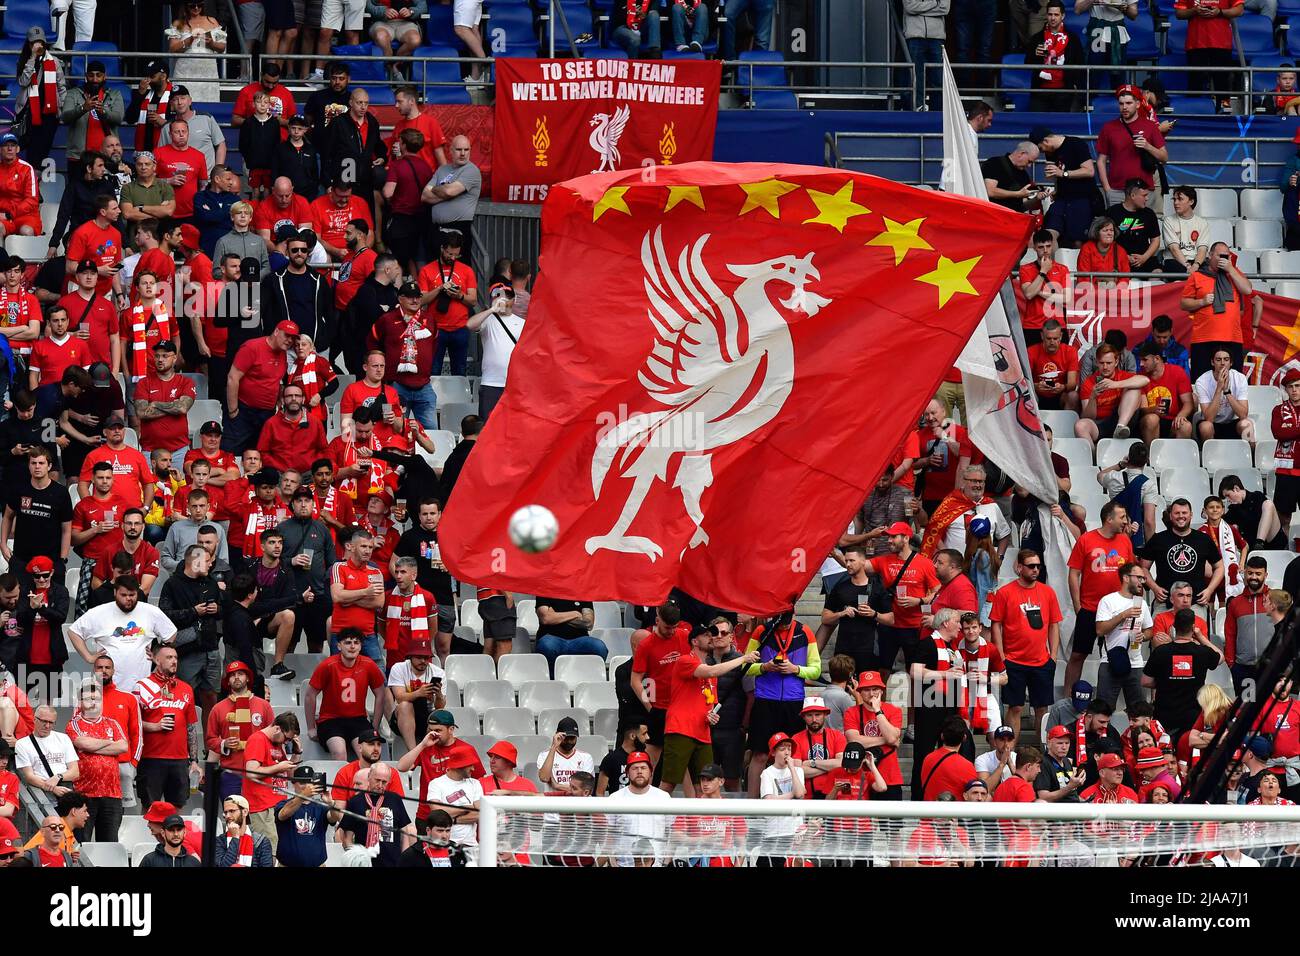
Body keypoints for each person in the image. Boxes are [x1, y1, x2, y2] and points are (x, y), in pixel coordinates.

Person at [660, 628, 757, 794]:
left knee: (706, 785)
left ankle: (700, 820)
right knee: (669, 782)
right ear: (694, 641)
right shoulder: (685, 660)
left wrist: (710, 716)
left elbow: (708, 703)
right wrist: (744, 658)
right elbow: (711, 670)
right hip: (681, 729)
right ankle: (652, 819)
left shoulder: (710, 674)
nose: (711, 637)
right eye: (706, 635)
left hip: (703, 733)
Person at [742, 609, 821, 797]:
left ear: (793, 615)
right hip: (765, 700)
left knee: (791, 756)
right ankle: (753, 807)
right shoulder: (761, 631)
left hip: (793, 702)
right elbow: (745, 666)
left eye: (786, 621)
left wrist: (796, 669)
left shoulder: (805, 632)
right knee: (760, 755)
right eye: (779, 621)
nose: (782, 625)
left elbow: (816, 670)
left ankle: (792, 803)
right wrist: (764, 667)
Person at [990, 548, 1062, 739]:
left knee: (1042, 708)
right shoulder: (1005, 593)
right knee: (1015, 707)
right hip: (1013, 660)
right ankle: (1009, 752)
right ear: (1019, 567)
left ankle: (1043, 751)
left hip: (1042, 660)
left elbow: (1054, 624)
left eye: (1038, 566)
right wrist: (1001, 656)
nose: (1035, 570)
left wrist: (1053, 656)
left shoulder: (1048, 592)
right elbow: (995, 625)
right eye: (1031, 566)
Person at [68, 576, 176, 693]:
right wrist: (88, 657)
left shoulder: (150, 611)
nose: (128, 599)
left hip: (142, 685)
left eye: (132, 595)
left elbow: (170, 632)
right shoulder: (99, 612)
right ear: (115, 592)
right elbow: (74, 632)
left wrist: (158, 654)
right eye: (123, 595)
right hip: (108, 685)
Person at [134, 643, 202, 807]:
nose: (174, 661)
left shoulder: (186, 688)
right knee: (150, 808)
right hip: (151, 758)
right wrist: (154, 726)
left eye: (176, 658)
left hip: (179, 760)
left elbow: (191, 727)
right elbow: (132, 724)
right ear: (157, 660)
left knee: (176, 809)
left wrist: (194, 760)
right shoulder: (141, 686)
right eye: (169, 657)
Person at [1142, 607, 1224, 740]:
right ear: (1193, 627)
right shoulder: (1202, 652)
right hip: (1193, 717)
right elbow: (1220, 656)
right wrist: (1201, 636)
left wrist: (1166, 681)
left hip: (1165, 715)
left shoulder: (1160, 651)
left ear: (1174, 626)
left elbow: (1145, 681)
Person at [305, 627, 386, 760]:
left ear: (361, 646)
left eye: (356, 642)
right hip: (330, 721)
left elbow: (381, 694)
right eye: (348, 642)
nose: (352, 646)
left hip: (358, 720)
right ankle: (341, 781)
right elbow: (310, 694)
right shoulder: (328, 665)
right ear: (339, 645)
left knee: (366, 754)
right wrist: (311, 728)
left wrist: (375, 726)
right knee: (339, 752)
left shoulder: (368, 665)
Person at [368, 282, 437, 429]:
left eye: (418, 297)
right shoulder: (387, 319)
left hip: (424, 385)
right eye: (410, 297)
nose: (415, 300)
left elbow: (434, 345)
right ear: (400, 298)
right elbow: (372, 341)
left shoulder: (429, 319)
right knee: (394, 432)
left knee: (431, 433)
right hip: (396, 386)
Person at [224, 320, 297, 454]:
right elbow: (232, 378)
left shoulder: (283, 353)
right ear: (276, 331)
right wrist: (233, 412)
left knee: (260, 455)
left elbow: (277, 380)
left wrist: (279, 400)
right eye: (287, 335)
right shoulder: (252, 347)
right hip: (244, 411)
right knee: (232, 453)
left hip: (266, 414)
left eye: (293, 338)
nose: (289, 340)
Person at [1182, 246, 1253, 379]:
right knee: (1201, 381)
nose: (1223, 259)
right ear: (1210, 255)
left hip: (1232, 338)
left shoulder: (1234, 273)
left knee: (1233, 381)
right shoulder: (1197, 276)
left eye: (1226, 256)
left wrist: (1231, 269)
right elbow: (1184, 303)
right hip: (1203, 339)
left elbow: (1247, 290)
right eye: (1220, 255)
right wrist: (1201, 302)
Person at [3, 446, 72, 581]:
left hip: (50, 561)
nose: (37, 467)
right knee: (19, 601)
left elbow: (66, 529)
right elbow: (7, 517)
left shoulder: (61, 493)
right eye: (33, 463)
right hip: (21, 560)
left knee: (51, 601)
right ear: (29, 466)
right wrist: (3, 545)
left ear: (49, 466)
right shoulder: (19, 489)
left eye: (41, 463)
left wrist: (62, 560)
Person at [1137, 497, 1222, 607]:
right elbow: (1143, 568)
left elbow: (1219, 567)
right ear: (1171, 516)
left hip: (1196, 603)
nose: (1181, 516)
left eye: (1184, 513)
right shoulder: (1158, 539)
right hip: (1164, 603)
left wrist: (1209, 590)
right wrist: (1154, 588)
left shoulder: (1203, 539)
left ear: (1191, 515)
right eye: (1177, 513)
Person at [1095, 561, 1153, 711]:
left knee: (1139, 712)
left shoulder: (1142, 603)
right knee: (1104, 710)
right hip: (1111, 661)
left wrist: (1143, 636)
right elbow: (1100, 630)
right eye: (1138, 577)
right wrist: (1123, 615)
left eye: (1143, 578)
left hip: (1135, 663)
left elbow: (1150, 630)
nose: (1141, 581)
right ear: (1126, 578)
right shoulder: (1108, 601)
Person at [1097, 85, 1167, 206]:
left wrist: (1147, 146)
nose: (1124, 107)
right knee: (1116, 225)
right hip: (1117, 190)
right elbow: (1101, 161)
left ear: (1138, 104)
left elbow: (1164, 157)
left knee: (1144, 224)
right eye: (1121, 103)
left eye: (1129, 103)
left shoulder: (1150, 126)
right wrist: (1107, 189)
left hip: (1144, 190)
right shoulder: (1108, 128)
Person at [260, 236, 335, 349]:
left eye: (303, 250)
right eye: (295, 250)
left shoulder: (318, 279)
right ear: (287, 252)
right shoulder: (273, 280)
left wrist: (325, 339)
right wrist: (275, 341)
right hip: (285, 347)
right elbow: (266, 314)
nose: (299, 253)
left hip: (314, 346)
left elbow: (329, 312)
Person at [337, 762, 414, 867]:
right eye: (377, 780)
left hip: (392, 862)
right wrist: (356, 860)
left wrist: (403, 858)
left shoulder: (395, 799)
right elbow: (347, 838)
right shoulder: (355, 802)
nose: (380, 786)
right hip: (365, 863)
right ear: (369, 777)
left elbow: (404, 832)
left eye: (384, 782)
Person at [1075, 343, 1147, 444]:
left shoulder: (1123, 375)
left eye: (1109, 363)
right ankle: (1093, 456)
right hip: (1101, 423)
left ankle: (1120, 427)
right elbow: (1089, 416)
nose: (1105, 367)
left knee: (1134, 388)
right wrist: (1093, 397)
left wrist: (1115, 384)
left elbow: (1145, 380)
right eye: (1102, 363)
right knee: (1080, 426)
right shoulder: (1089, 382)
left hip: (1123, 421)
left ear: (1116, 362)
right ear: (1096, 362)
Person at [275, 764, 341, 867]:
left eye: (310, 782)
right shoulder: (283, 804)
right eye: (302, 782)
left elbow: (336, 817)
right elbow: (283, 814)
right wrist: (303, 796)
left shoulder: (321, 806)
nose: (307, 786)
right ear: (294, 783)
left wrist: (331, 803)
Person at [61, 62, 124, 168]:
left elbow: (118, 119)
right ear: (86, 76)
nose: (94, 79)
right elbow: (65, 118)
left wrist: (103, 111)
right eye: (91, 75)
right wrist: (83, 108)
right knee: (77, 185)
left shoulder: (114, 94)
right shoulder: (73, 93)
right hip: (79, 157)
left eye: (98, 75)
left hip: (107, 157)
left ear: (105, 76)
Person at [1025, 4, 1086, 111]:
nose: (1052, 18)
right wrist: (1035, 54)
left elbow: (1080, 64)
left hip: (1064, 92)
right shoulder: (1037, 38)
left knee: (1062, 127)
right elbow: (1027, 63)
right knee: (1039, 126)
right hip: (1040, 93)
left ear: (1063, 16)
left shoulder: (1072, 39)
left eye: (1056, 15)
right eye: (1050, 14)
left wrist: (1076, 87)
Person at [15, 703, 80, 798]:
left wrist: (58, 777)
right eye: (44, 721)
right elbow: (29, 776)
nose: (47, 726)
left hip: (65, 791)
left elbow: (75, 772)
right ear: (35, 719)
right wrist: (53, 788)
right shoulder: (22, 744)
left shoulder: (63, 738)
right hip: (41, 793)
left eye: (51, 722)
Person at [1018, 231, 1070, 347]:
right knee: (1033, 363)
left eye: (1048, 246)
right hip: (1033, 326)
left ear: (1052, 245)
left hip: (1058, 326)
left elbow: (1067, 298)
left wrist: (1040, 292)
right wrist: (1043, 271)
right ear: (1035, 248)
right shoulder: (1025, 269)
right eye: (1041, 247)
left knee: (1060, 363)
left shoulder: (1063, 269)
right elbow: (1029, 294)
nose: (1045, 250)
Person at [1135, 341, 1194, 443]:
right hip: (1150, 422)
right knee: (1152, 419)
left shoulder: (1177, 372)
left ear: (1157, 359)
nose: (1141, 364)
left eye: (1145, 360)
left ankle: (1179, 458)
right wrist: (1155, 409)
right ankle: (1150, 457)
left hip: (1173, 420)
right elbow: (1143, 409)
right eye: (1140, 360)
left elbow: (1188, 403)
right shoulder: (1141, 376)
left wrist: (1181, 416)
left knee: (1185, 426)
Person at [1193, 346, 1253, 443]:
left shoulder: (1240, 378)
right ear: (1212, 362)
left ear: (1231, 363)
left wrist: (1226, 391)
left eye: (1226, 359)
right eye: (1218, 360)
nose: (1222, 363)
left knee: (1247, 424)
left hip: (1233, 423)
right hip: (1213, 424)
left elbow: (1243, 414)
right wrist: (1219, 388)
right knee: (1206, 426)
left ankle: (1252, 455)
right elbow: (1208, 418)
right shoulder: (1202, 381)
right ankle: (1209, 456)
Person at [1105, 179, 1162, 273]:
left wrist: (1144, 257)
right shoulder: (1112, 212)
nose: (1147, 199)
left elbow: (1155, 240)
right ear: (1132, 195)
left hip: (1145, 259)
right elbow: (1105, 241)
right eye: (1144, 195)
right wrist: (1124, 257)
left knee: (1158, 273)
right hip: (1117, 259)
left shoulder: (1149, 213)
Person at [918, 715, 978, 801]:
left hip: (928, 813)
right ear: (964, 738)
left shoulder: (928, 758)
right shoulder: (967, 766)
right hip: (953, 813)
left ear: (942, 736)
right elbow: (974, 795)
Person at [980, 141, 1042, 214]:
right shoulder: (995, 163)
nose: (1029, 166)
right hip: (993, 215)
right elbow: (990, 191)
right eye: (1029, 161)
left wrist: (1036, 199)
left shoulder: (1024, 175)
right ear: (1021, 154)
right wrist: (1017, 194)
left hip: (1013, 218)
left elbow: (1022, 206)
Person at [215, 793, 274, 866]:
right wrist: (235, 838)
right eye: (225, 812)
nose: (227, 816)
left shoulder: (261, 842)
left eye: (232, 811)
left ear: (245, 812)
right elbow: (224, 865)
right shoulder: (220, 841)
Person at [1161, 186, 1210, 273]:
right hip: (1174, 261)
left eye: (1180, 199)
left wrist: (1196, 265)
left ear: (1191, 201)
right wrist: (1188, 266)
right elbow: (1174, 249)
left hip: (1196, 262)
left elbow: (1202, 248)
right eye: (1174, 199)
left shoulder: (1202, 222)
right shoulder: (1168, 221)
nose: (1176, 203)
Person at [137, 812, 203, 867]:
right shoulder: (149, 860)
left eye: (179, 830)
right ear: (163, 833)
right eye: (171, 830)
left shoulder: (194, 863)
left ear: (184, 832)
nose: (176, 834)